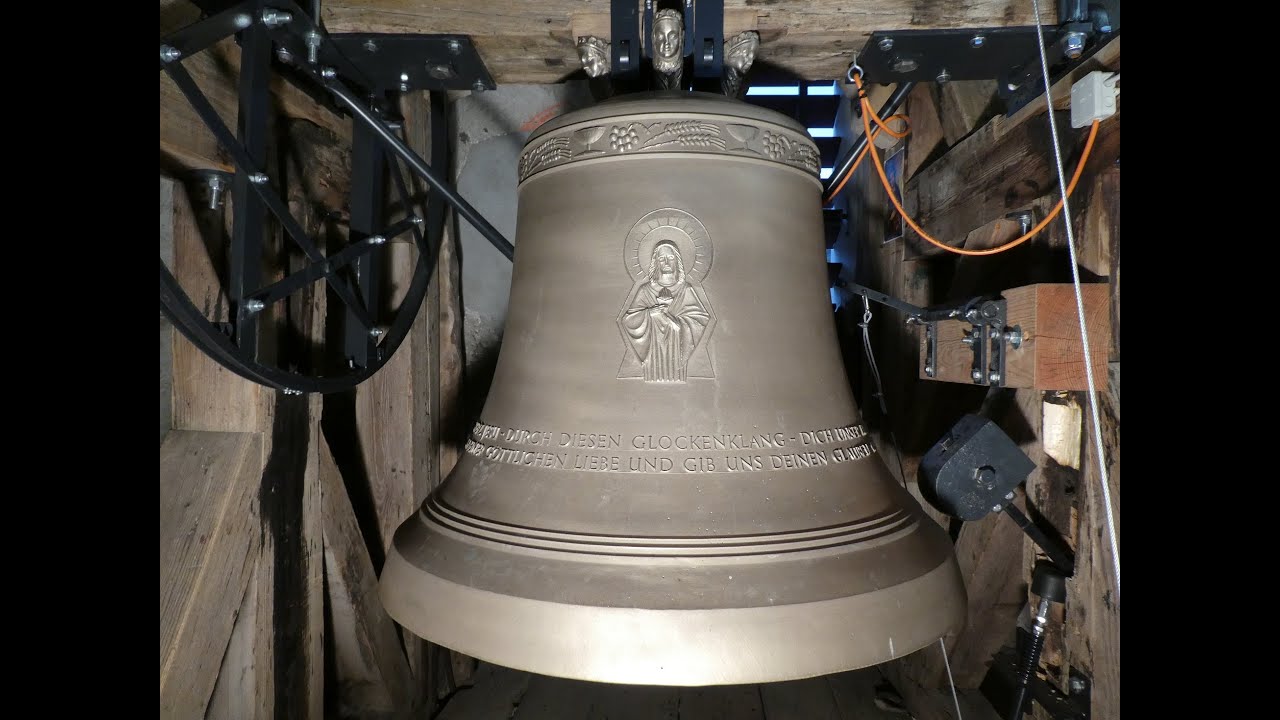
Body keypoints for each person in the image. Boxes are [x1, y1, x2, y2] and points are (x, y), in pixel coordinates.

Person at [621, 241, 710, 382]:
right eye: (662, 258)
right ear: (655, 262)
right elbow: (628, 320)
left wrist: (671, 319)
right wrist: (650, 313)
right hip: (653, 355)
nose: (666, 262)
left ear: (677, 260)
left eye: (671, 257)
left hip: (676, 353)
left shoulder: (686, 290)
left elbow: (700, 319)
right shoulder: (645, 290)